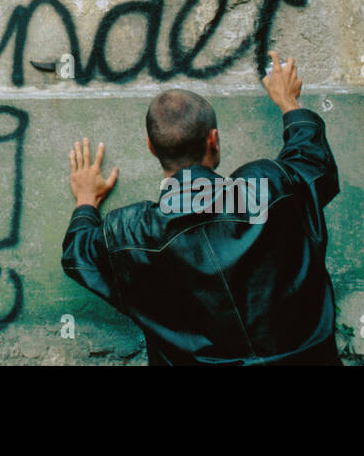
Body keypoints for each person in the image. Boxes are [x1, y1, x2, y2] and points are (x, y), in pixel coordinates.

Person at [61, 51, 341, 365]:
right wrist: (289, 103)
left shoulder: (132, 231)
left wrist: (86, 201)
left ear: (152, 147)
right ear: (214, 140)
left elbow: (78, 254)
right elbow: (311, 162)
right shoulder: (268, 185)